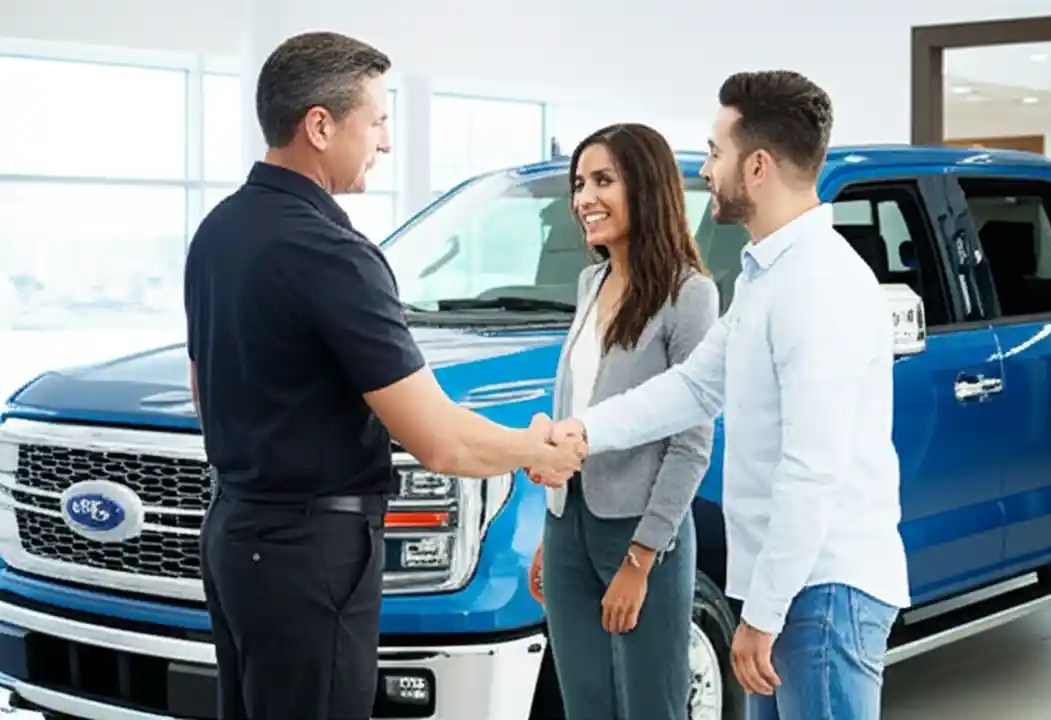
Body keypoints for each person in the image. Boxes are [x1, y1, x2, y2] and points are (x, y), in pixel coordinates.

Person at [184, 31, 581, 720]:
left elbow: (203, 390)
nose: (386, 142)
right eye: (377, 121)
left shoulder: (218, 232)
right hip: (310, 556)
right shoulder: (333, 253)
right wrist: (534, 450)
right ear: (319, 125)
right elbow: (440, 443)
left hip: (233, 536)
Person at [550, 70, 909, 720]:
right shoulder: (767, 276)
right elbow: (692, 387)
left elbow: (812, 468)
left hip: (823, 589)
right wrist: (583, 433)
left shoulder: (818, 285)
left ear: (758, 166)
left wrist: (763, 614)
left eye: (716, 152)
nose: (706, 170)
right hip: (788, 584)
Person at [526, 123, 720, 720]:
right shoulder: (592, 281)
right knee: (585, 705)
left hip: (641, 531)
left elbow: (692, 442)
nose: (584, 198)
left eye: (602, 181)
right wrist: (551, 535)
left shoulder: (690, 295)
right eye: (579, 184)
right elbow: (576, 406)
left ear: (646, 185)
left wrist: (640, 559)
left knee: (650, 707)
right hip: (568, 524)